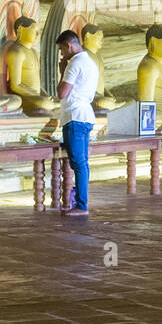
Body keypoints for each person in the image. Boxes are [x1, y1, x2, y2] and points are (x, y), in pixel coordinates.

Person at [56, 29, 98, 217]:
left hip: (75, 117)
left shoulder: (74, 65)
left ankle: (81, 205)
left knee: (79, 163)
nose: (62, 54)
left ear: (68, 45)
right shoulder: (91, 63)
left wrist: (63, 70)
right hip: (85, 116)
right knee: (80, 163)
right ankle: (77, 200)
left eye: (62, 50)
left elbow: (61, 93)